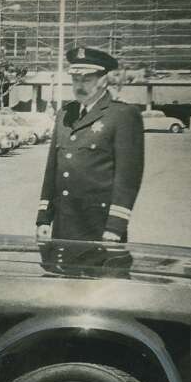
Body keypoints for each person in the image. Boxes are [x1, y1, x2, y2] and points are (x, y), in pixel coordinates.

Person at [35, 45, 144, 243]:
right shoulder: (65, 115)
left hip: (100, 227)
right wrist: (44, 218)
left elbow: (127, 178)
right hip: (63, 224)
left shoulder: (122, 115)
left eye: (87, 79)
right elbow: (52, 170)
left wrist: (115, 226)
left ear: (103, 80)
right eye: (75, 79)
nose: (79, 86)